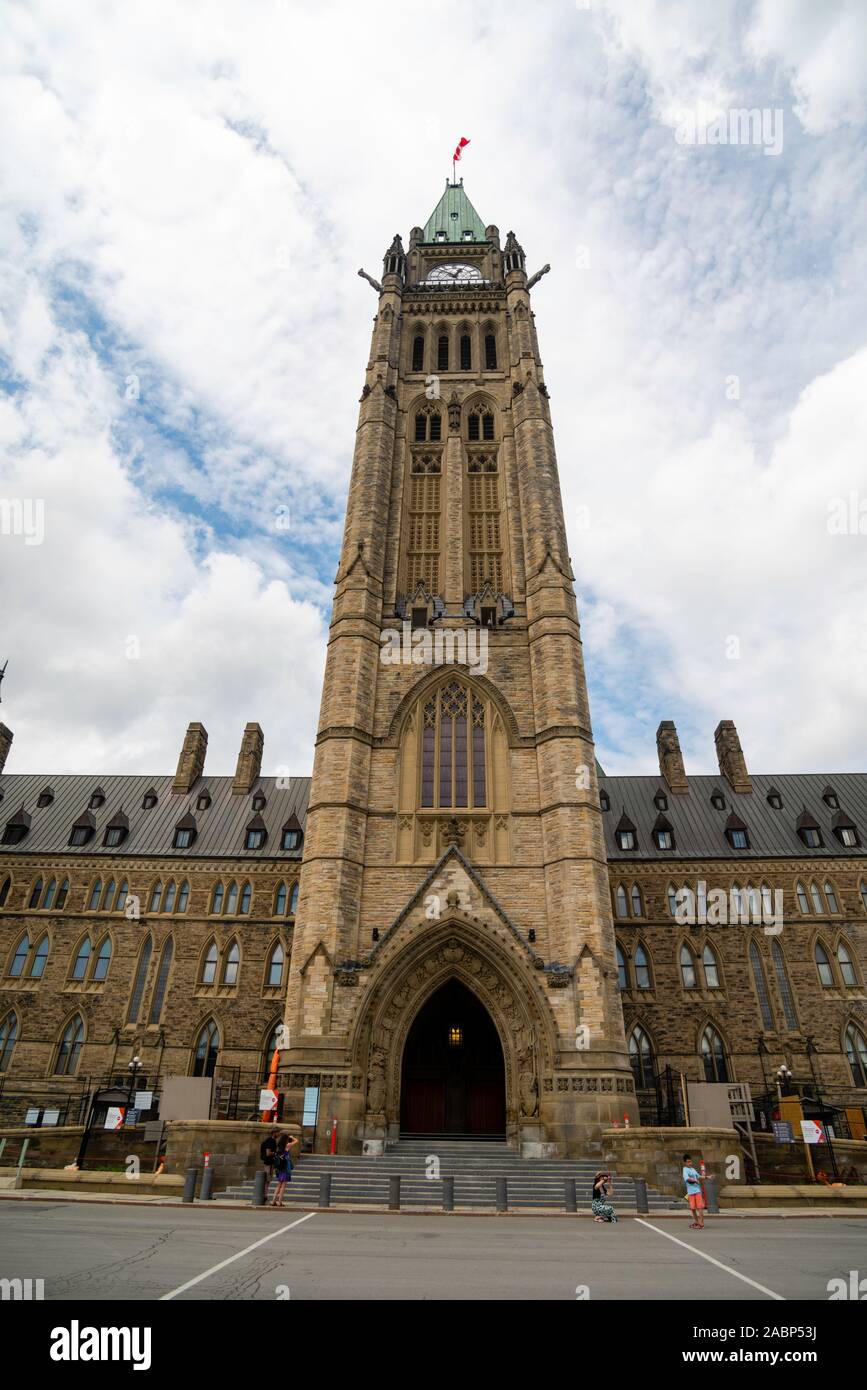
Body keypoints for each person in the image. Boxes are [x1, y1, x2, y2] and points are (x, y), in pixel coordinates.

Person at [270, 1132, 300, 1208]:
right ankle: (279, 1202)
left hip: (279, 1167)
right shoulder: (287, 1146)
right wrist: (292, 1137)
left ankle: (273, 1201)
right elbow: (296, 1141)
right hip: (285, 1167)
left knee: (279, 1184)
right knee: (283, 1185)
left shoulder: (279, 1146)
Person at [682, 1152, 705, 1229]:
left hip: (697, 1191)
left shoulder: (693, 1169)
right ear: (685, 1162)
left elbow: (699, 1176)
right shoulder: (685, 1170)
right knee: (692, 1208)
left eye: (690, 1161)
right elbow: (687, 1179)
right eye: (688, 1162)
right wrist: (695, 1181)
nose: (690, 1163)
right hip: (691, 1192)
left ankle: (701, 1223)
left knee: (699, 1208)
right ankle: (696, 1222)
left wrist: (708, 1177)